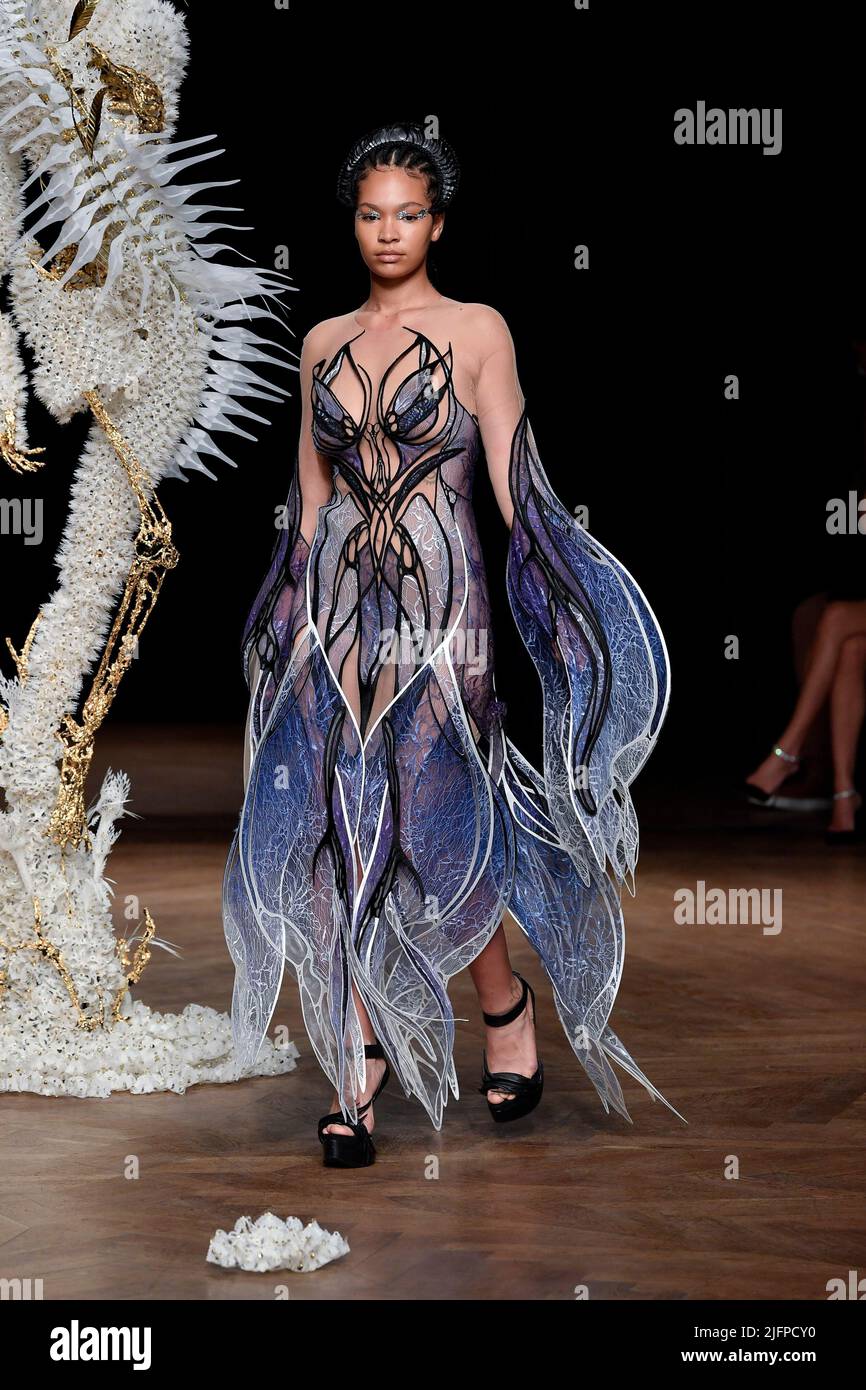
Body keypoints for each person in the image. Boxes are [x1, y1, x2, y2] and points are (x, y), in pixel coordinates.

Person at [222, 122, 683, 1168]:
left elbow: (512, 478)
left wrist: (566, 595)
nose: (388, 232)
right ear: (352, 222)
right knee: (342, 825)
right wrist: (288, 605)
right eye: (370, 214)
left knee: (441, 819)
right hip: (340, 604)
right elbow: (310, 493)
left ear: (437, 223)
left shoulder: (478, 330)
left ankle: (502, 1002)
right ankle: (358, 1059)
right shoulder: (322, 341)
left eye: (408, 214)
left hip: (445, 604)